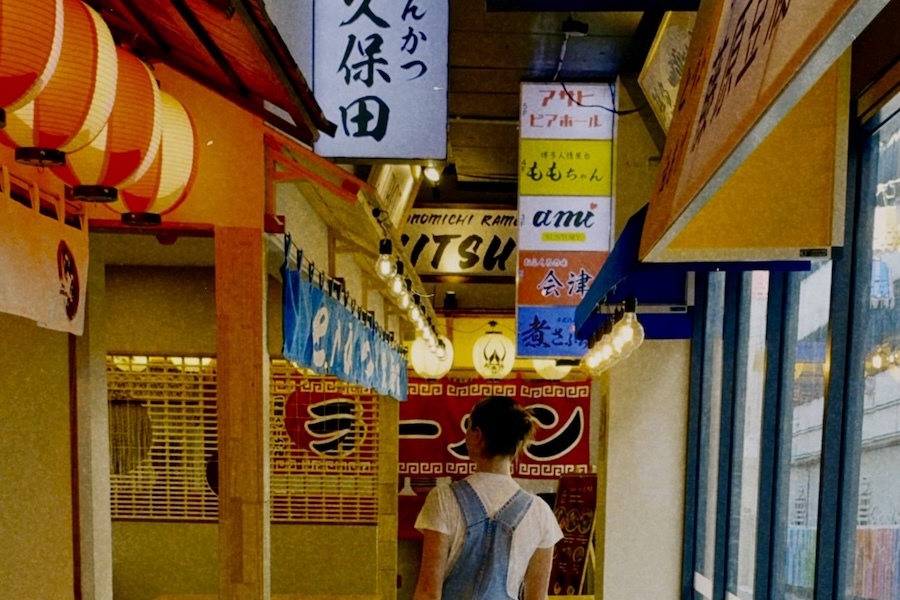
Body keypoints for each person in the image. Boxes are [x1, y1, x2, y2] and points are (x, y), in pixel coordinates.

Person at [413, 395, 563, 600]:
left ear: (477, 435)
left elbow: (428, 593)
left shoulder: (443, 499)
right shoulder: (540, 512)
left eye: (468, 427)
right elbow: (537, 598)